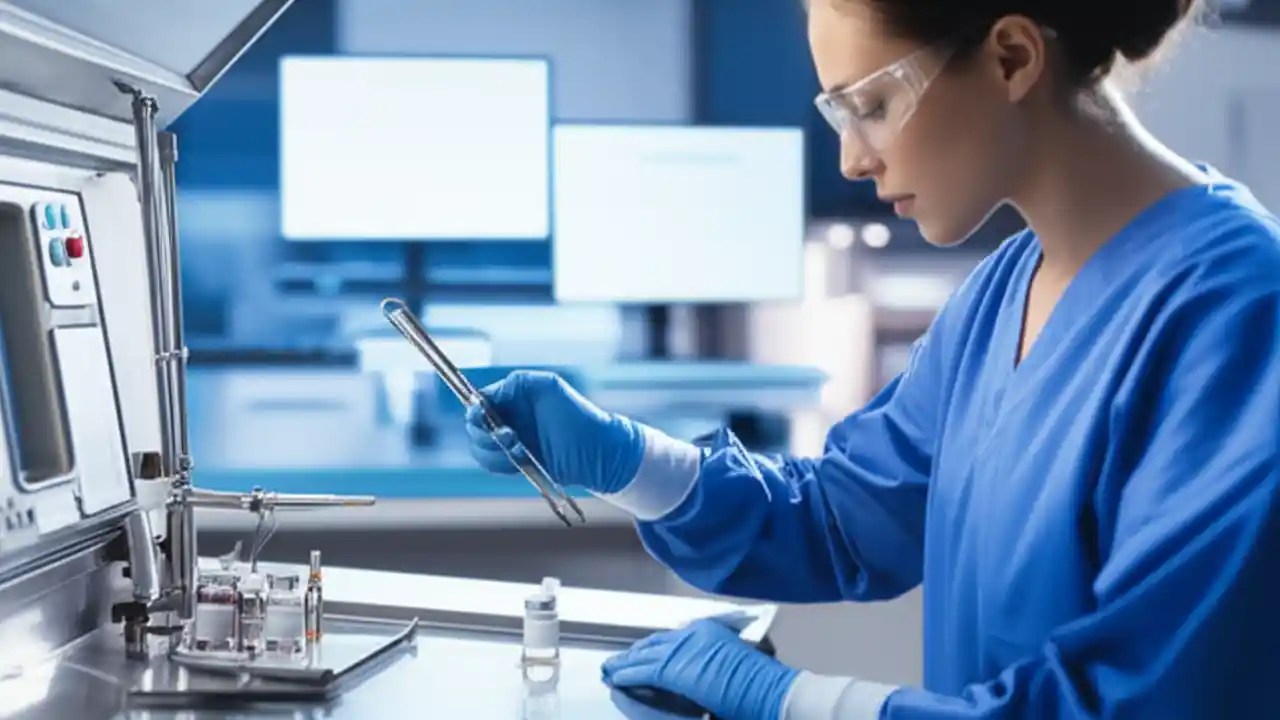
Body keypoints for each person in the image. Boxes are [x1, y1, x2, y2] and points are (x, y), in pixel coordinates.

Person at [466, 0, 1280, 717]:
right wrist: (626, 458)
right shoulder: (1005, 290)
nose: (852, 159)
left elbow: (1150, 699)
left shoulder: (1238, 312)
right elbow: (845, 520)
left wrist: (795, 702)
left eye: (874, 104)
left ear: (1012, 58)